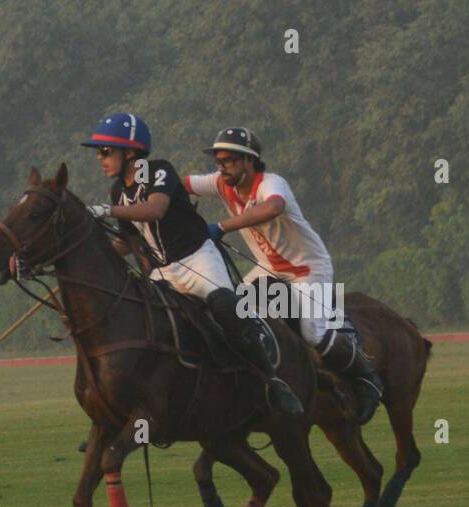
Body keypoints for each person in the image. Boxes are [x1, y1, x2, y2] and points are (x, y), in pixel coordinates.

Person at [81, 113, 303, 417]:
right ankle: (134, 407)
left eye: (106, 151)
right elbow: (129, 242)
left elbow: (155, 210)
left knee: (226, 306)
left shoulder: (158, 171)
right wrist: (85, 254)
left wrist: (106, 210)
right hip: (162, 271)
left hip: (197, 258)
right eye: (99, 152)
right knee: (142, 321)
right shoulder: (119, 191)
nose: (100, 158)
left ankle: (273, 381)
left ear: (130, 152)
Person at [184, 127, 383, 422]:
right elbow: (180, 184)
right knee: (230, 313)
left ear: (249, 161)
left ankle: (368, 378)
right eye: (218, 161)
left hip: (308, 268)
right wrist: (149, 181)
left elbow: (273, 207)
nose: (221, 167)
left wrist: (223, 227)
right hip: (269, 269)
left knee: (312, 331)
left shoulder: (272, 183)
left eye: (228, 160)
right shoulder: (220, 182)